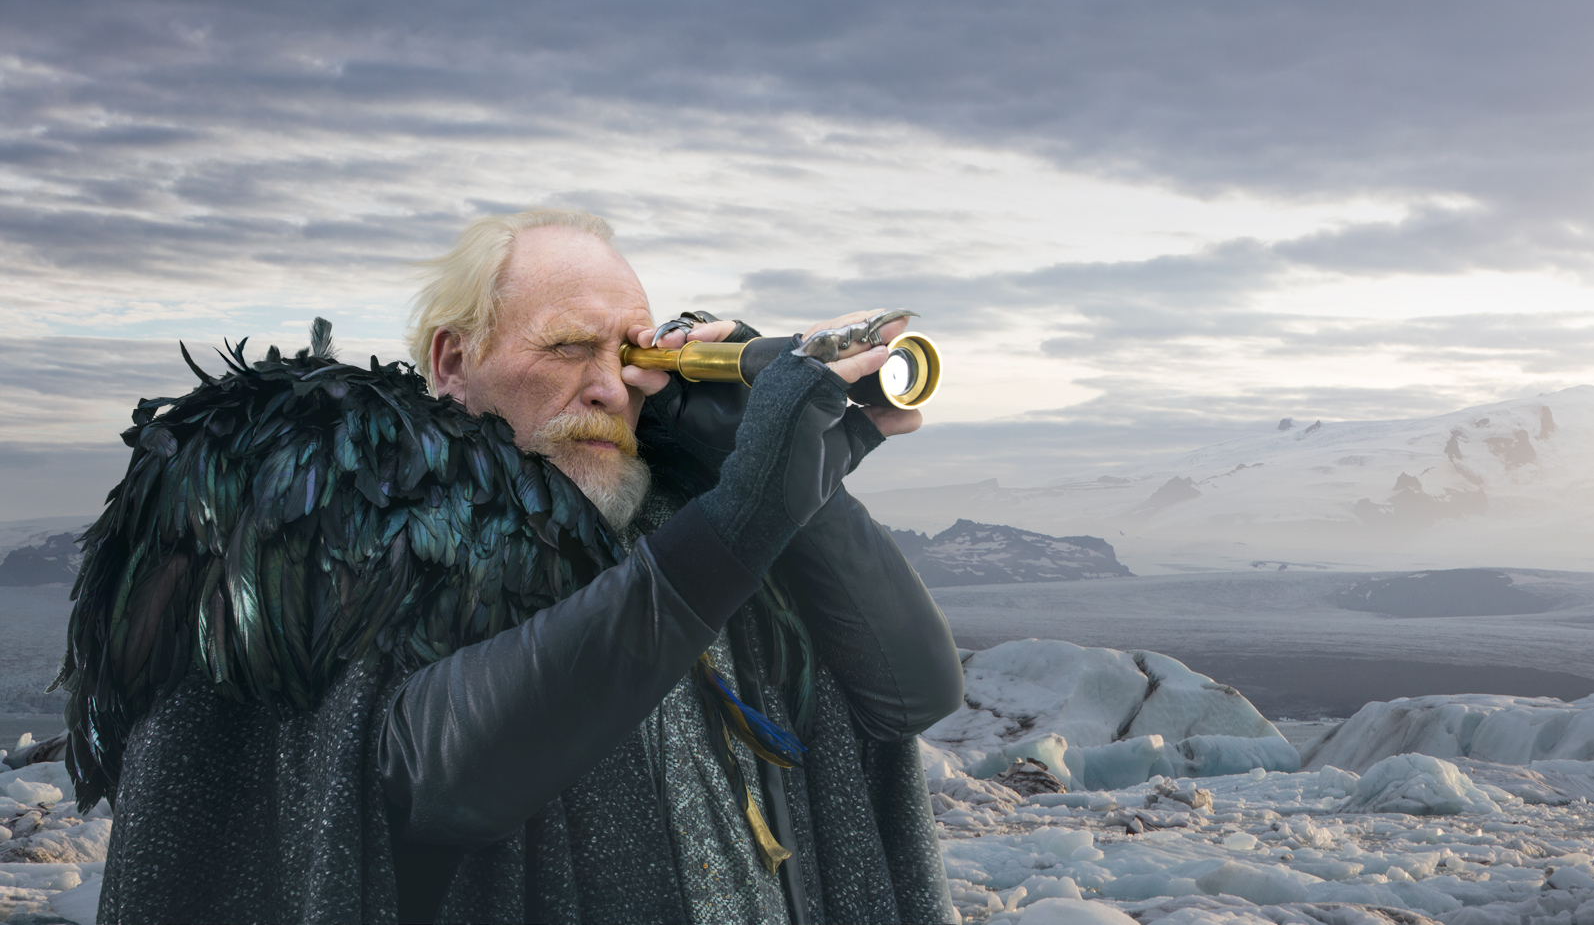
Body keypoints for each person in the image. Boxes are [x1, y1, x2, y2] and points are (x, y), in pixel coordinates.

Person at [66, 209, 962, 924]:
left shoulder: (682, 508)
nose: (609, 386)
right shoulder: (350, 509)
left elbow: (911, 693)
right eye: (569, 347)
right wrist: (736, 524)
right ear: (454, 359)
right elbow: (432, 775)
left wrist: (788, 489)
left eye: (634, 355)